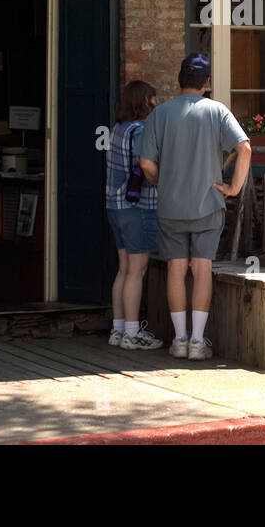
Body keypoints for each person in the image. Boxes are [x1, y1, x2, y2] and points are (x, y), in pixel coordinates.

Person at [138, 54, 251, 360]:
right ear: (207, 82)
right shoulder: (217, 111)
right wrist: (234, 187)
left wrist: (163, 182)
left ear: (179, 78)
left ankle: (179, 339)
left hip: (170, 206)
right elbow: (245, 148)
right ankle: (198, 342)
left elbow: (145, 162)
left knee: (176, 269)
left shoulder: (160, 114)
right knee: (201, 269)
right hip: (208, 203)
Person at [104, 80, 163, 350]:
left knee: (124, 269)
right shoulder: (140, 129)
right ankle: (132, 333)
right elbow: (145, 164)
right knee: (137, 271)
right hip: (137, 207)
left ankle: (117, 330)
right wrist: (161, 180)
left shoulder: (118, 128)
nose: (155, 103)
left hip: (115, 206)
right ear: (143, 101)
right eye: (152, 98)